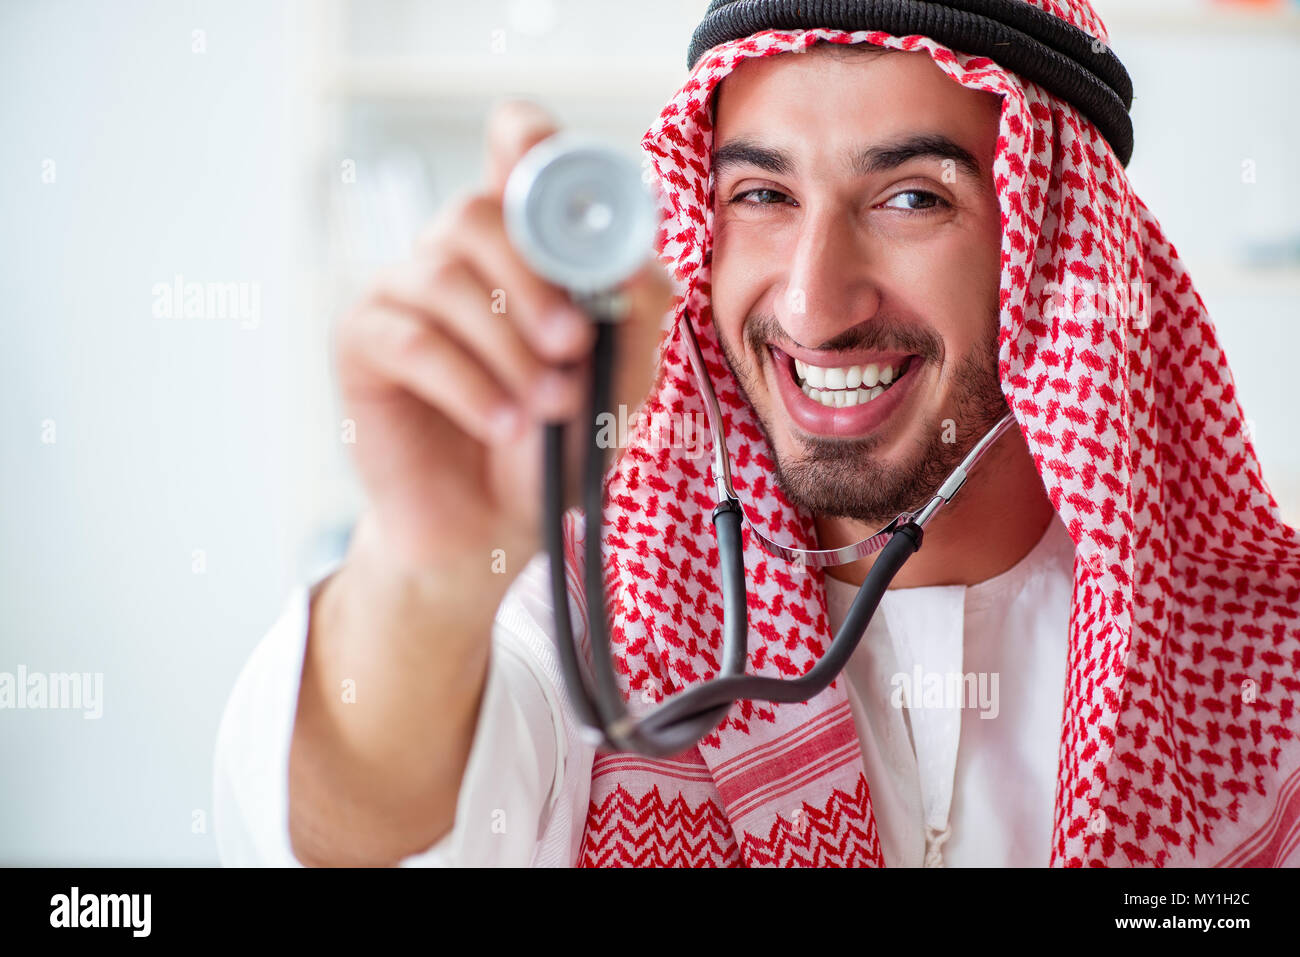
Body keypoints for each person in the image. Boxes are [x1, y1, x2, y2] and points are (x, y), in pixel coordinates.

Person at [214, 0, 1300, 867]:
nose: (814, 305)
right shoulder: (581, 611)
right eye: (761, 196)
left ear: (1060, 257)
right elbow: (346, 840)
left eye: (912, 198)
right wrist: (427, 570)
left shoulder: (1264, 667)